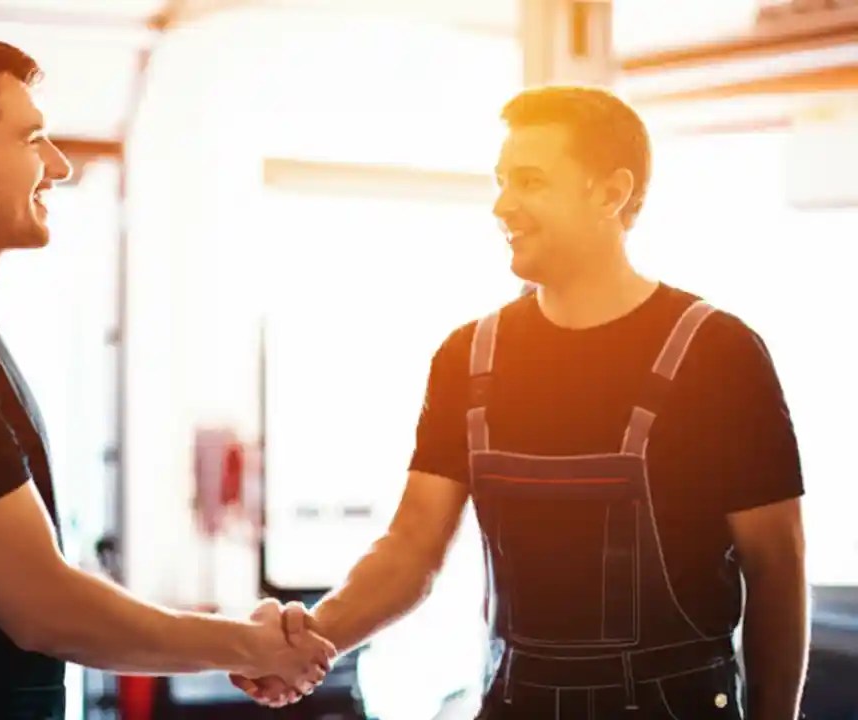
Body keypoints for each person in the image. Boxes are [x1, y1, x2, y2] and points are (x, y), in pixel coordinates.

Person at [232, 86, 809, 718]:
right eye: (502, 181)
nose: (504, 205)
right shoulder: (469, 357)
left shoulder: (718, 354)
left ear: (611, 194)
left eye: (531, 182)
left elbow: (777, 569)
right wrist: (314, 637)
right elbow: (410, 548)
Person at [0, 40, 335, 720]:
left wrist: (236, 636)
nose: (57, 165)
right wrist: (243, 644)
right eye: (33, 139)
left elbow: (38, 582)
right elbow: (43, 608)